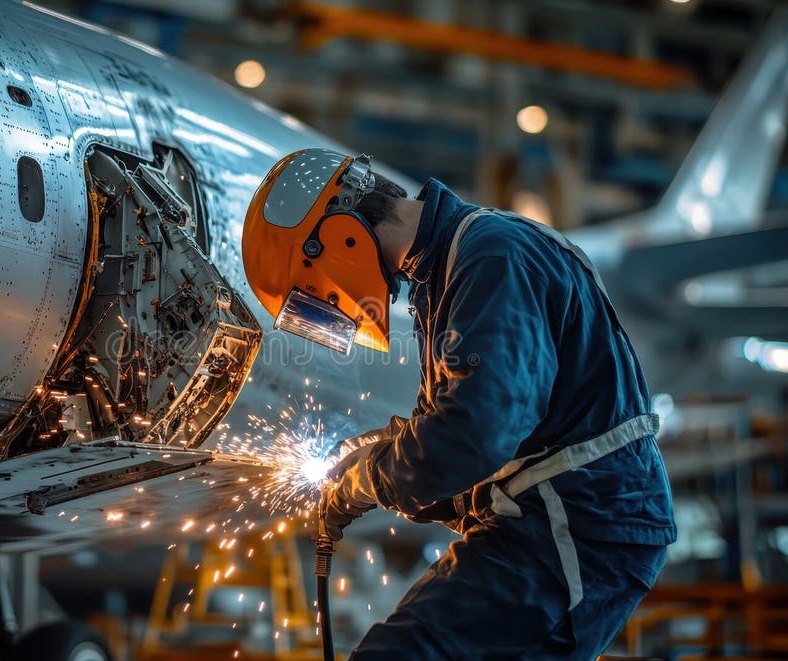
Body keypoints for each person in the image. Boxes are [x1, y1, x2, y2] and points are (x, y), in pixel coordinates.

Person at [241, 149, 676, 660]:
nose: (344, 314)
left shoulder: (492, 259)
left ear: (341, 239)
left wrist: (367, 477)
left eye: (323, 298)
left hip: (578, 524)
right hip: (552, 519)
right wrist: (369, 458)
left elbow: (477, 436)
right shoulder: (446, 273)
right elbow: (457, 447)